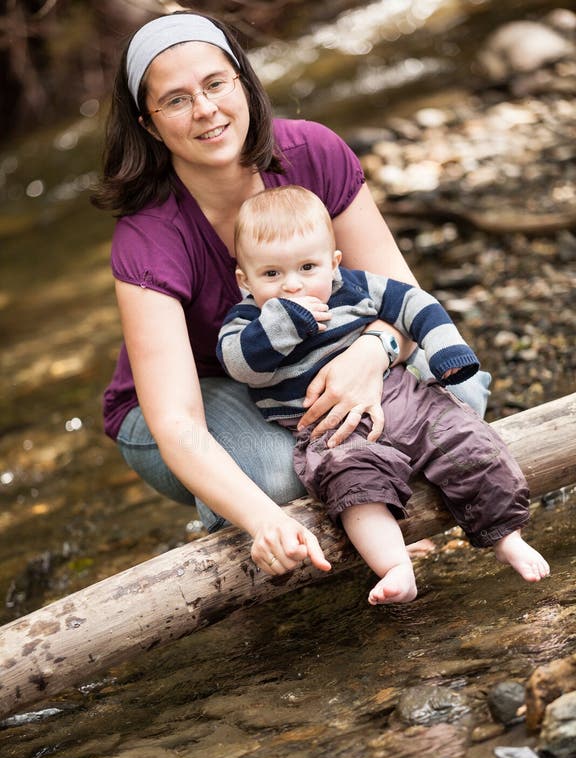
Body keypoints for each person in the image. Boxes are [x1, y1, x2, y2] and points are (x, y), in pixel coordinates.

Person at [92, 10, 491, 575]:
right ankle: (243, 498)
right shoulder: (147, 235)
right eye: (176, 100)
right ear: (150, 124)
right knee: (283, 478)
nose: (205, 110)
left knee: (464, 389)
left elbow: (401, 294)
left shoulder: (313, 153)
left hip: (318, 358)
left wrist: (367, 358)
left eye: (214, 84)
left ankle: (372, 498)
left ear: (242, 83)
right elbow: (177, 422)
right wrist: (264, 521)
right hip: (193, 399)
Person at [217, 185, 550, 603]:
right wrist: (283, 324)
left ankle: (506, 535)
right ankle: (395, 565)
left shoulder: (354, 287)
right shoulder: (247, 321)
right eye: (271, 274)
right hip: (332, 428)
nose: (292, 286)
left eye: (307, 267)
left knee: (466, 438)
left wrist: (445, 347)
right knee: (353, 485)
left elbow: (414, 303)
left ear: (333, 263)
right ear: (244, 280)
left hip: (401, 396)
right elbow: (238, 363)